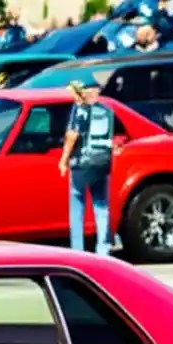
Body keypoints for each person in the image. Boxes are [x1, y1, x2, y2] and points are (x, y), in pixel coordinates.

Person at [59, 80, 121, 256]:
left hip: (81, 163)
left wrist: (63, 159)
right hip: (102, 162)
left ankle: (77, 250)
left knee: (77, 203)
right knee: (101, 205)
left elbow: (73, 134)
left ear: (82, 92)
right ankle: (103, 249)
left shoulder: (79, 110)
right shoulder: (106, 111)